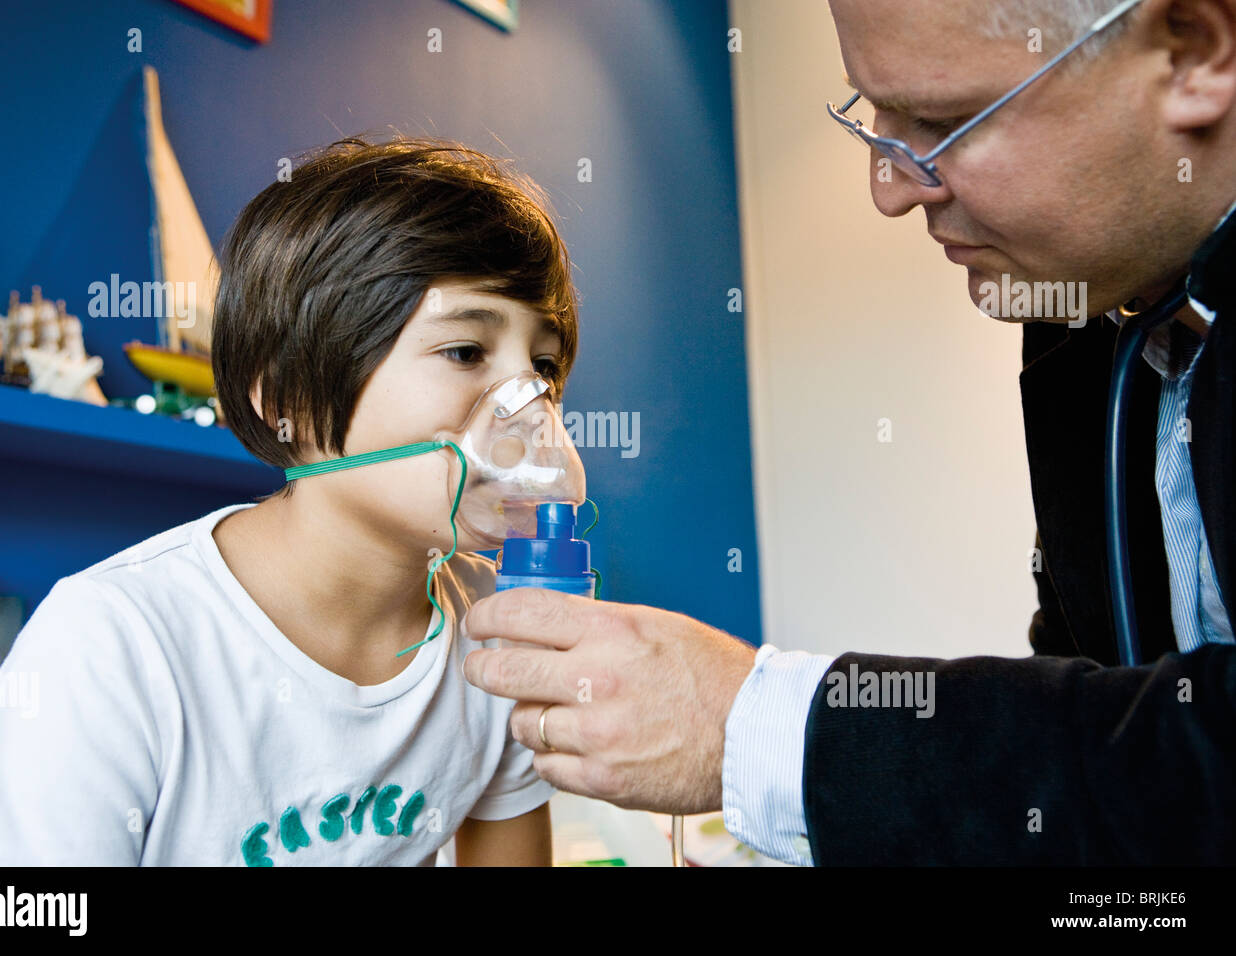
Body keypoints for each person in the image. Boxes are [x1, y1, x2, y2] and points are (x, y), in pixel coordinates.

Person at [460, 0, 1236, 864]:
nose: (889, 189)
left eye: (941, 122)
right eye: (870, 114)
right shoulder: (1079, 296)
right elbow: (1102, 693)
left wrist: (759, 730)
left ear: (1192, 53)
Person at [0, 137, 582, 866]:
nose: (525, 406)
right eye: (466, 351)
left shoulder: (496, 636)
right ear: (291, 399)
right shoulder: (117, 644)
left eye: (545, 367)